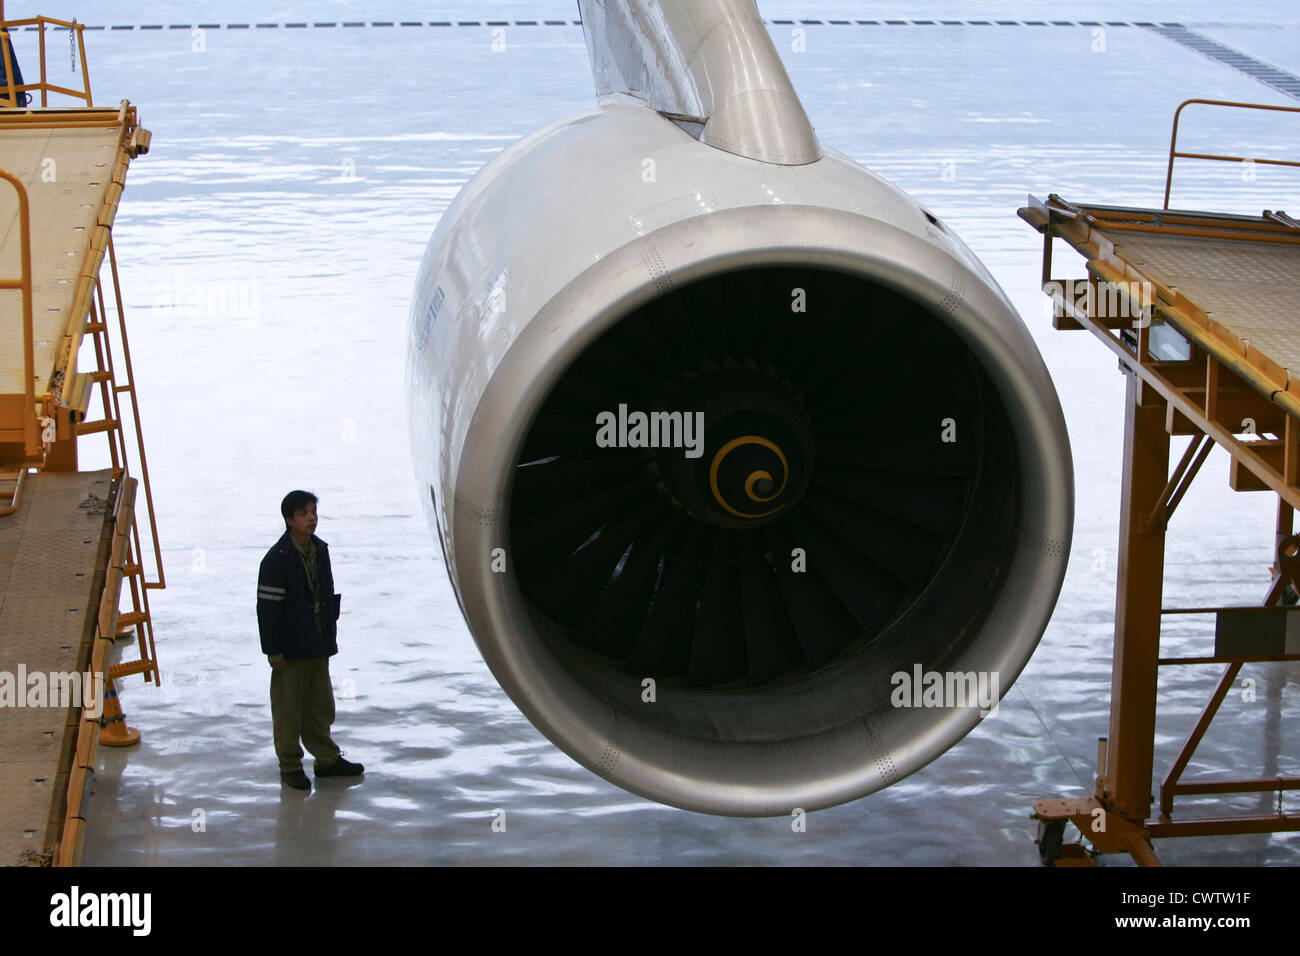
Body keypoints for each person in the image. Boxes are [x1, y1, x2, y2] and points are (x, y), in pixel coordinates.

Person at [256, 490, 363, 789]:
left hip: (317, 643)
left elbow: (325, 594)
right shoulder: (277, 559)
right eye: (303, 513)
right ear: (289, 520)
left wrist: (329, 638)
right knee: (289, 709)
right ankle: (290, 765)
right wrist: (273, 650)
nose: (311, 517)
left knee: (321, 706)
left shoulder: (320, 550)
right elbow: (267, 608)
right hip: (291, 649)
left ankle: (327, 760)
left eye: (313, 511)